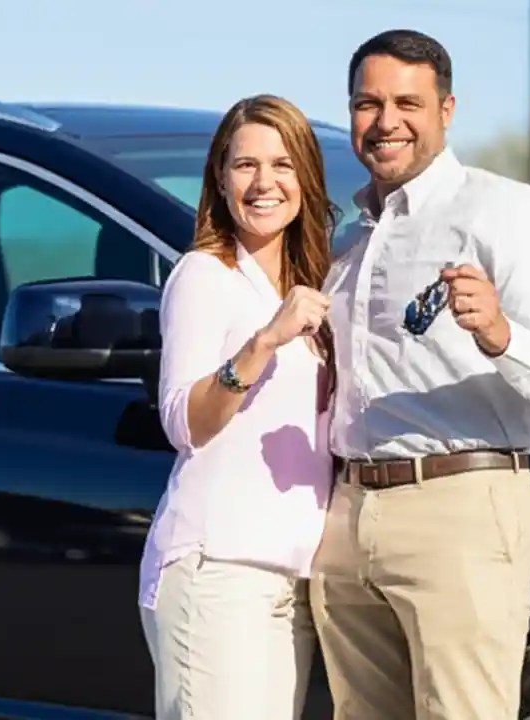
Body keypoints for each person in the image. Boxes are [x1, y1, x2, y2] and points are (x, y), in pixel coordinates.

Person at [310, 29, 530, 720]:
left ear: (447, 110)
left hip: (461, 506)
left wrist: (502, 336)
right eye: (367, 102)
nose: (386, 121)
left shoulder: (506, 212)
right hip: (347, 512)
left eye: (408, 102)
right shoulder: (346, 241)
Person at [137, 93, 340, 720]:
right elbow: (186, 421)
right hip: (217, 573)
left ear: (305, 177)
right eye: (244, 165)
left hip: (292, 584)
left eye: (282, 164)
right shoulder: (204, 276)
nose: (264, 182)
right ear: (219, 181)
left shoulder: (316, 286)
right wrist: (263, 343)